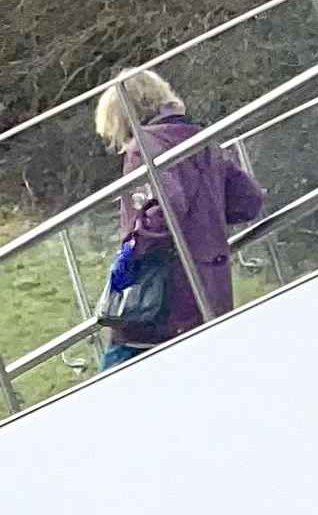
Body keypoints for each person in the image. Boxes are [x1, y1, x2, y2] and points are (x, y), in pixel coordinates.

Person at [87, 65, 269, 365]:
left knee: (113, 390)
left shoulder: (142, 147)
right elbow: (247, 200)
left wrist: (134, 248)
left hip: (158, 308)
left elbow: (167, 207)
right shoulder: (201, 140)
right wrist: (206, 218)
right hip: (210, 297)